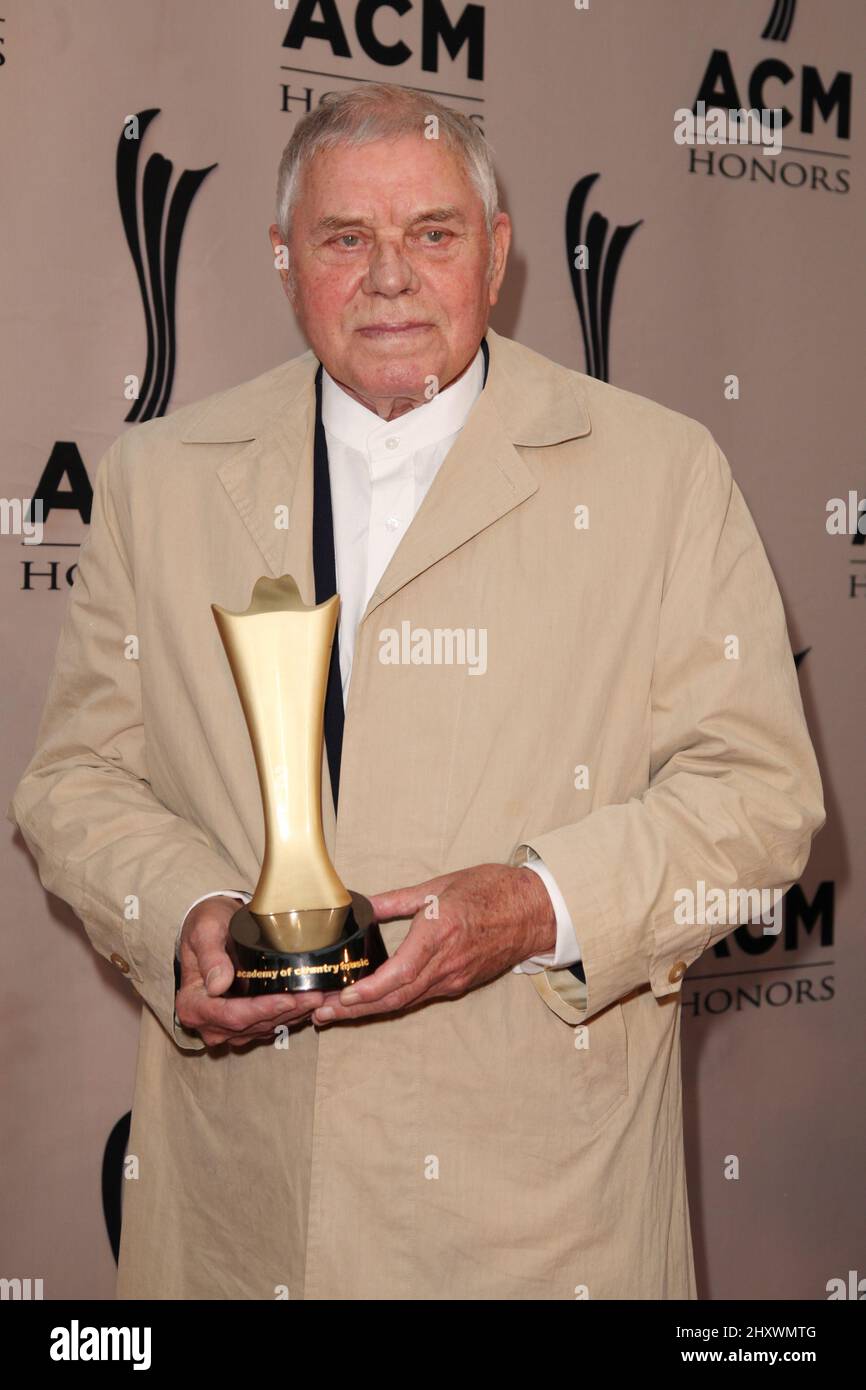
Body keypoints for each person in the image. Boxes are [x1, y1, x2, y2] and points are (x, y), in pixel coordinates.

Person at [9, 83, 825, 1300]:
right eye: (346, 239)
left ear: (494, 255)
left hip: (541, 1229)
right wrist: (185, 905)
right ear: (285, 262)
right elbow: (75, 778)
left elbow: (759, 801)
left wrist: (534, 903)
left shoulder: (659, 474)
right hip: (239, 1212)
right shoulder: (158, 479)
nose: (389, 275)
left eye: (431, 234)